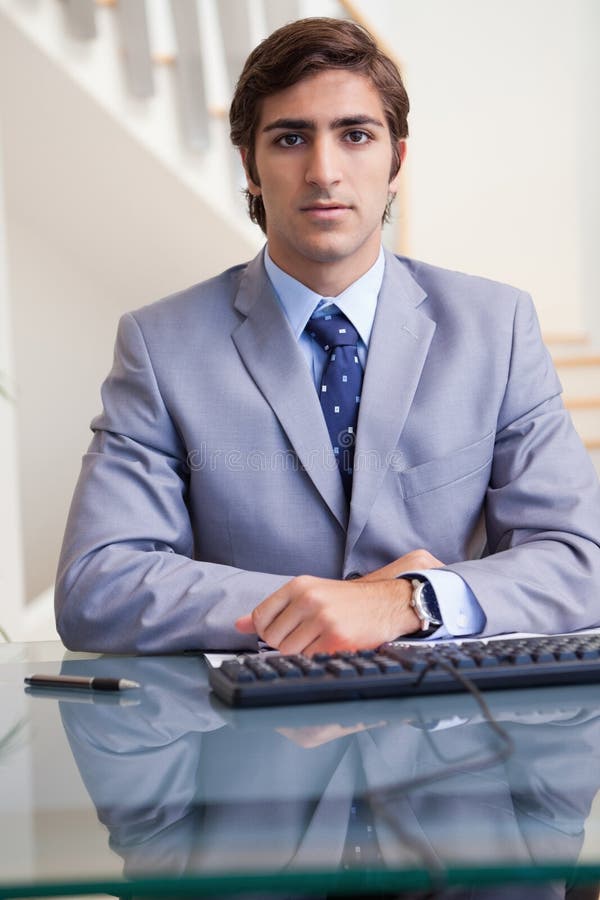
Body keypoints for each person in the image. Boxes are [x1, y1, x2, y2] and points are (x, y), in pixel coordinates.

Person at [55, 17, 600, 655]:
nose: (323, 170)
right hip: (251, 736)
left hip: (454, 735)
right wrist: (323, 608)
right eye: (290, 138)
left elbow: (580, 557)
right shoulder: (159, 345)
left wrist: (406, 601)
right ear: (250, 167)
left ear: (396, 160)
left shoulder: (496, 327)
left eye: (356, 135)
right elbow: (97, 584)